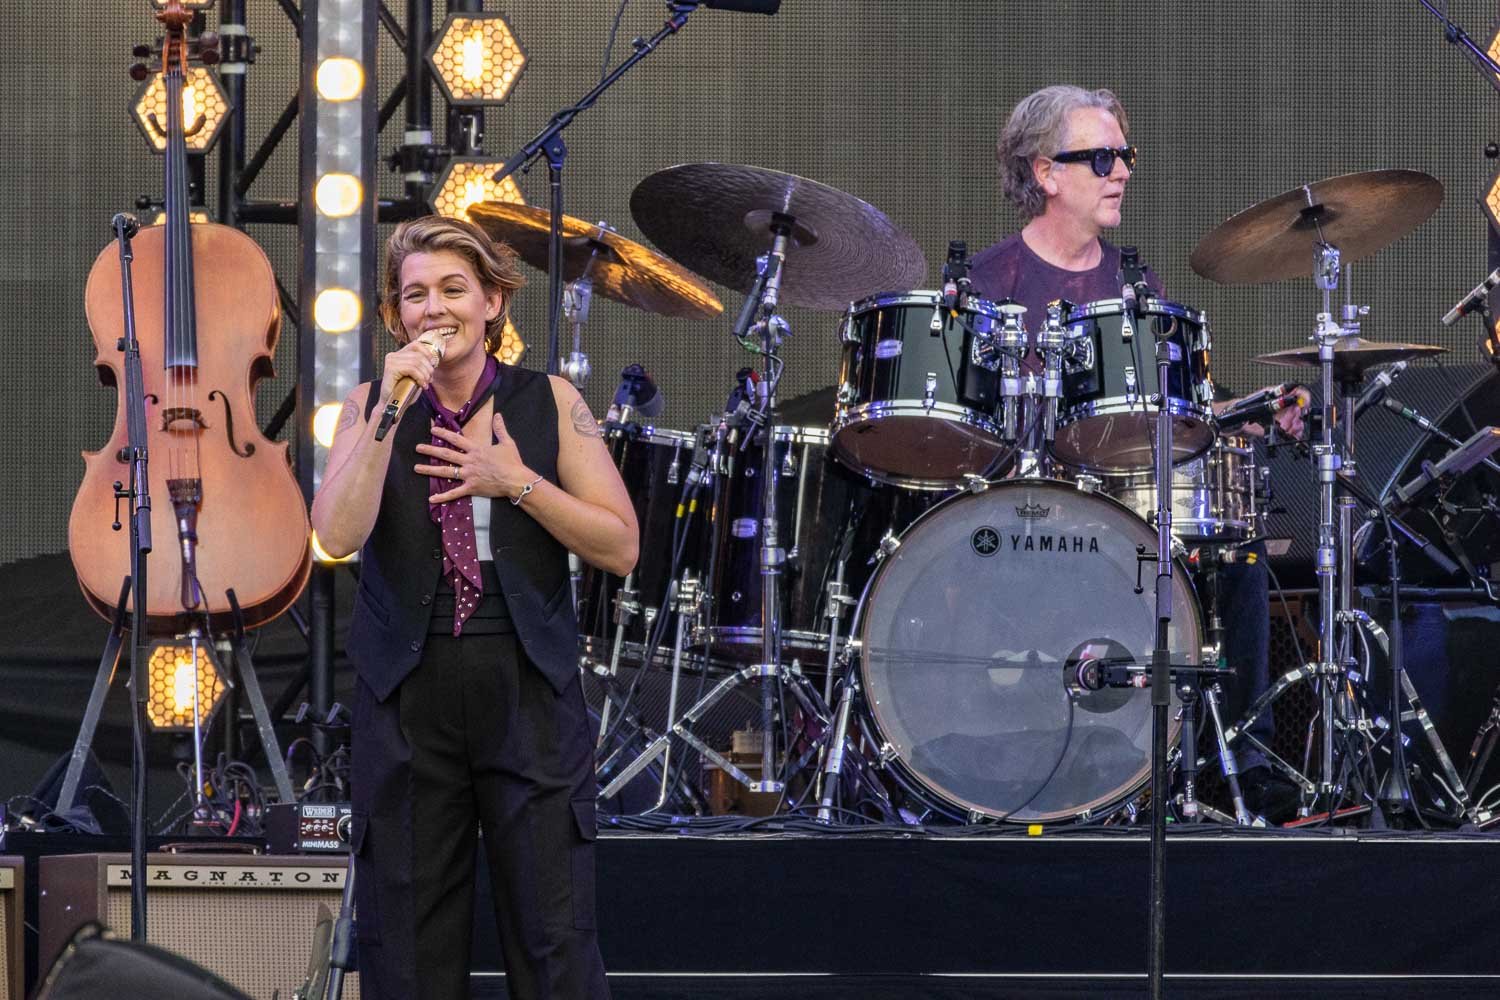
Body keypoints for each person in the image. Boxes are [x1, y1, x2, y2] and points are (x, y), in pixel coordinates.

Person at [311, 215, 638, 1000]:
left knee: (552, 936)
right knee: (408, 942)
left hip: (523, 678)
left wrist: (513, 482)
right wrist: (391, 410)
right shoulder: (367, 406)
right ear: (395, 318)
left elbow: (620, 545)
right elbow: (333, 533)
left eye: (454, 289)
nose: (434, 309)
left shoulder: (550, 400)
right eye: (415, 296)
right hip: (408, 684)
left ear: (494, 300)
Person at [970, 84, 1302, 821]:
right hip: (1028, 512)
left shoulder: (1133, 283)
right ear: (1045, 172)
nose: (1121, 170)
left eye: (1126, 154)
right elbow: (973, 431)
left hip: (1124, 511)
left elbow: (1164, 410)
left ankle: (1249, 763)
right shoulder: (986, 285)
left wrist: (1243, 413)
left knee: (1239, 554)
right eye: (1100, 157)